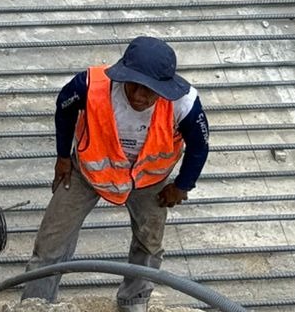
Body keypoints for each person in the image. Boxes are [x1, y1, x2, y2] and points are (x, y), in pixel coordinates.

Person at [21, 37, 209, 310]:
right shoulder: (90, 85)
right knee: (51, 242)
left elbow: (200, 146)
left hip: (149, 182)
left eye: (149, 91)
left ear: (164, 88)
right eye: (133, 86)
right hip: (87, 174)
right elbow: (64, 109)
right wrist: (63, 157)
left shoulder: (184, 104)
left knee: (149, 245)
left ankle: (133, 302)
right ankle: (36, 304)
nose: (138, 97)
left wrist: (183, 185)